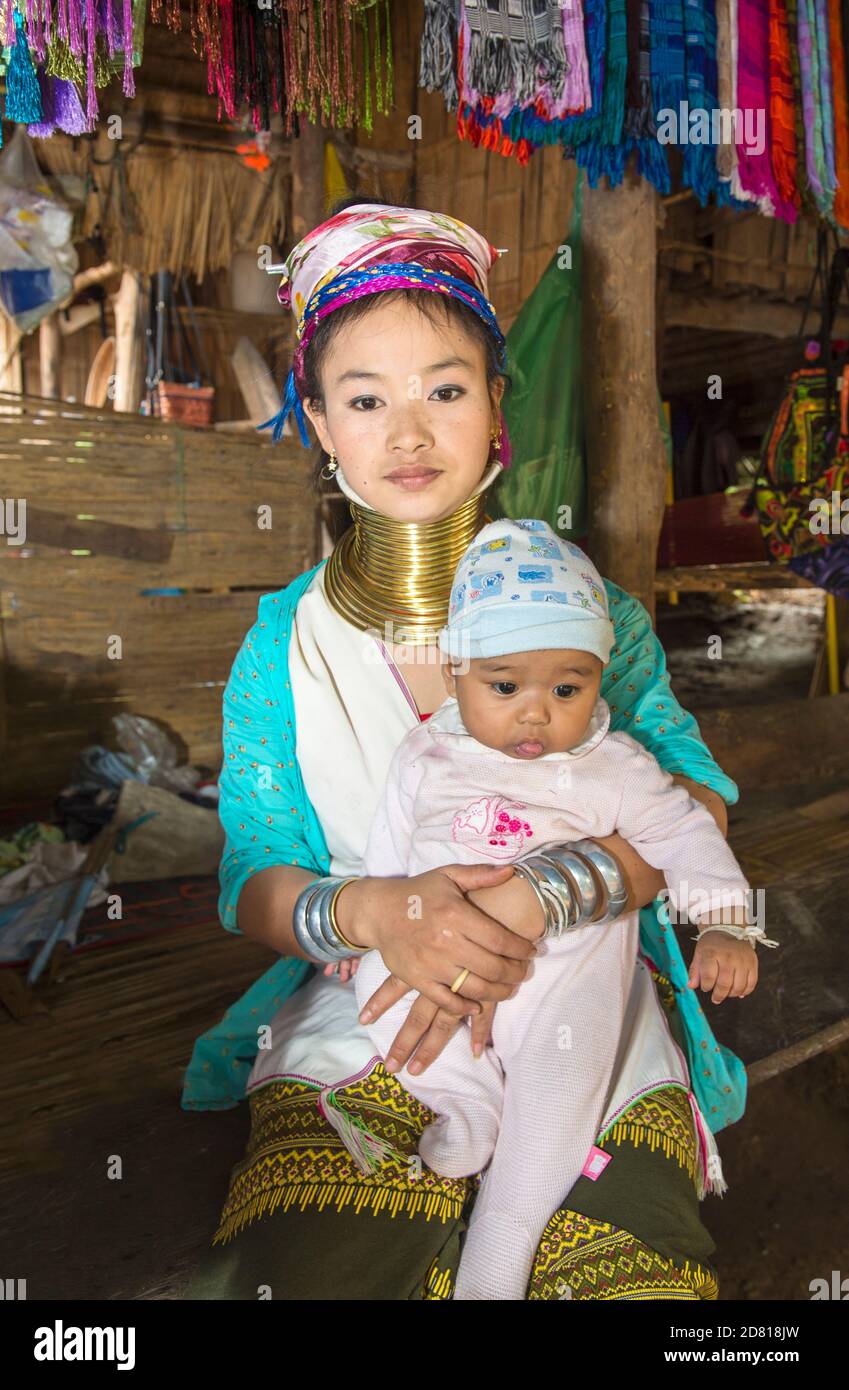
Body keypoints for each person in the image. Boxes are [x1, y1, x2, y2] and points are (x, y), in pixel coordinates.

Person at [184, 195, 749, 1302]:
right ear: (316, 420)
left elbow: (694, 803)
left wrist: (541, 895)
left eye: (444, 389)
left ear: (497, 407)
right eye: (364, 398)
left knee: (624, 1282)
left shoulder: (591, 616)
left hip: (581, 985)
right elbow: (253, 880)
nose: (407, 431)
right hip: (373, 999)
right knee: (314, 1270)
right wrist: (391, 914)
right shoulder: (284, 646)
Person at [350, 517, 769, 1301]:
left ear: (597, 679)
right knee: (380, 1001)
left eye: (566, 688)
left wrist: (722, 920)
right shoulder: (426, 755)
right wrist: (376, 928)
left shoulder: (614, 765)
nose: (536, 713)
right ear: (456, 671)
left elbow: (683, 832)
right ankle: (462, 1104)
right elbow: (388, 853)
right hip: (442, 964)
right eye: (504, 687)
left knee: (559, 1100)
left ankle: (498, 1252)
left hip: (564, 983)